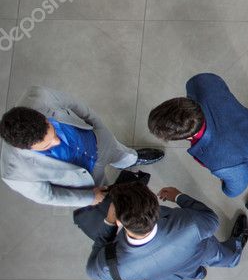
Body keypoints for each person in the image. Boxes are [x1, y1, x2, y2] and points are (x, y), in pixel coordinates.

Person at [147, 73, 248, 211]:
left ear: (180, 137)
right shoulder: (202, 84)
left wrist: (226, 188)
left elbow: (237, 186)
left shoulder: (219, 161)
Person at [0, 87, 163, 207]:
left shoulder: (38, 96)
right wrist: (89, 198)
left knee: (120, 152)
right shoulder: (14, 172)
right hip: (87, 177)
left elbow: (74, 104)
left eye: (54, 132)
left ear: (42, 118)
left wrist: (98, 125)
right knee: (109, 195)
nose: (57, 142)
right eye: (48, 145)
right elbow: (48, 195)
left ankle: (131, 159)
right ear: (26, 148)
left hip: (97, 140)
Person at [84, 182, 248, 280]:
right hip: (197, 252)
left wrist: (109, 224)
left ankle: (198, 276)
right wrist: (179, 197)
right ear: (156, 205)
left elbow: (92, 266)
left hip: (166, 277)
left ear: (119, 221)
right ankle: (233, 258)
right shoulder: (190, 225)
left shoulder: (109, 269)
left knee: (188, 273)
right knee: (216, 255)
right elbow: (211, 219)